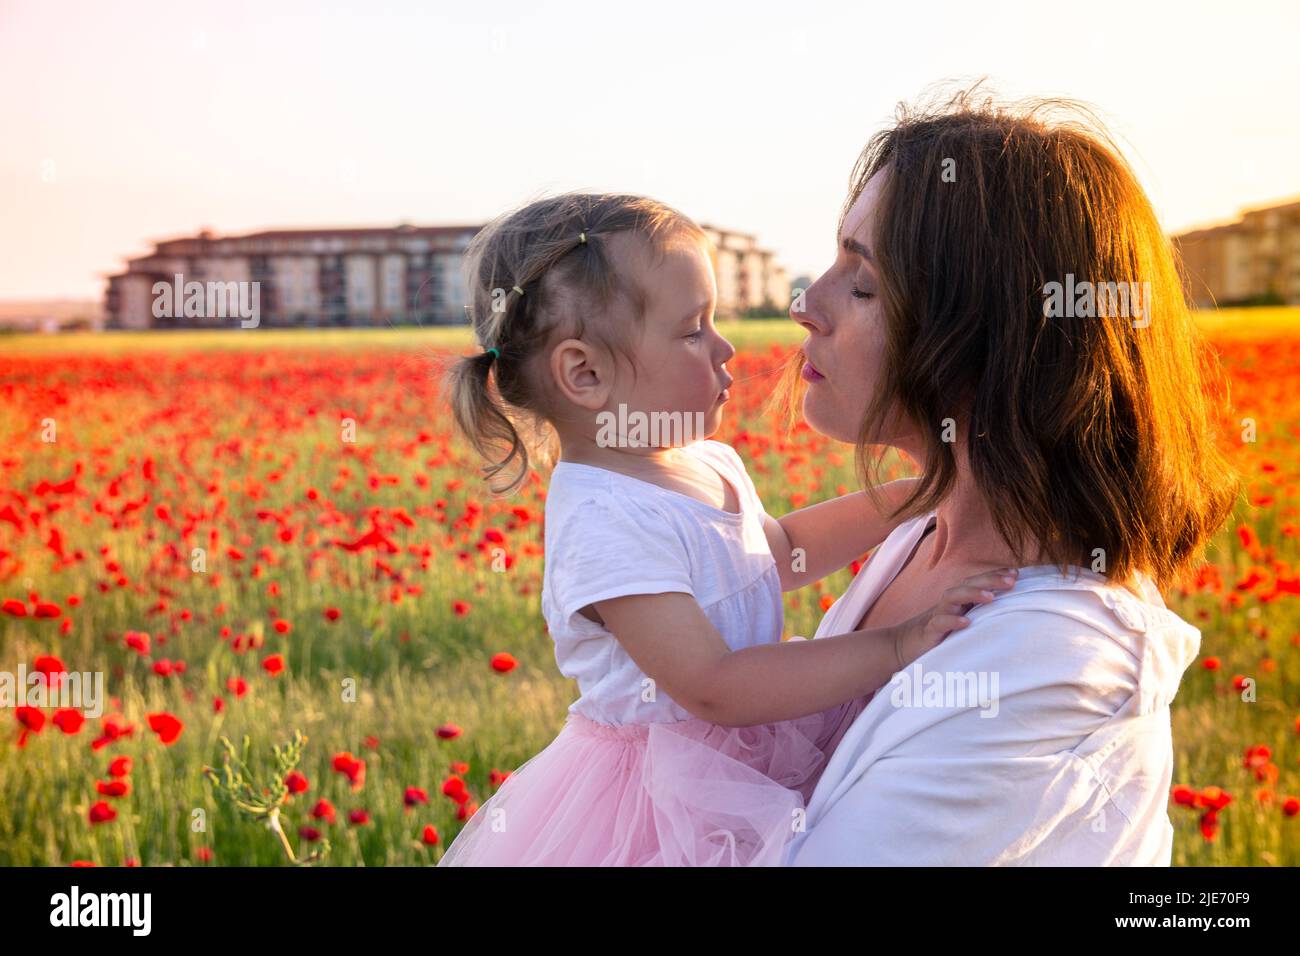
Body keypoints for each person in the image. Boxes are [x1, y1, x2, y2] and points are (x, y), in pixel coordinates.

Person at [438, 191, 1015, 865]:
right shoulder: (604, 520)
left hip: (731, 758)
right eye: (692, 331)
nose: (725, 346)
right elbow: (713, 684)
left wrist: (910, 495)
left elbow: (781, 552)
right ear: (584, 373)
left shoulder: (702, 461)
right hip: (653, 805)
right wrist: (895, 648)